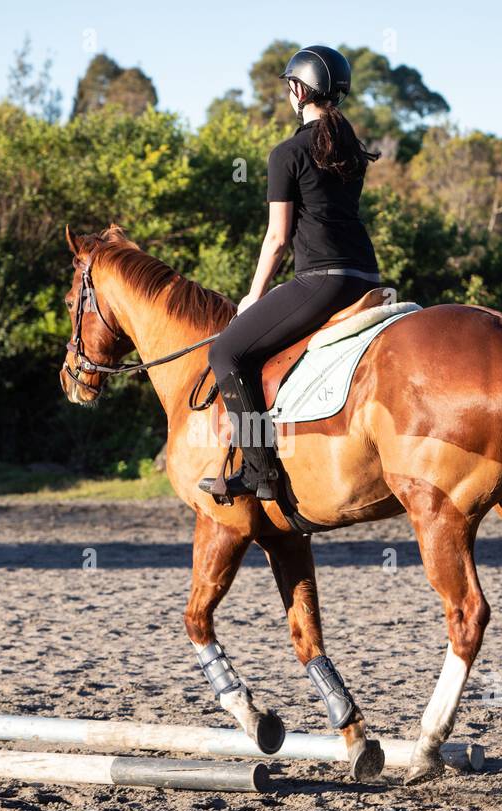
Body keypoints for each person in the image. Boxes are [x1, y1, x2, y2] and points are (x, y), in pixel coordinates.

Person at [200, 45, 381, 501]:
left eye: (288, 86)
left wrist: (253, 295)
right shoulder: (351, 147)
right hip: (366, 277)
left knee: (226, 353)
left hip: (321, 279)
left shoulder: (287, 153)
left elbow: (277, 238)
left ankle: (260, 472)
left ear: (299, 90)